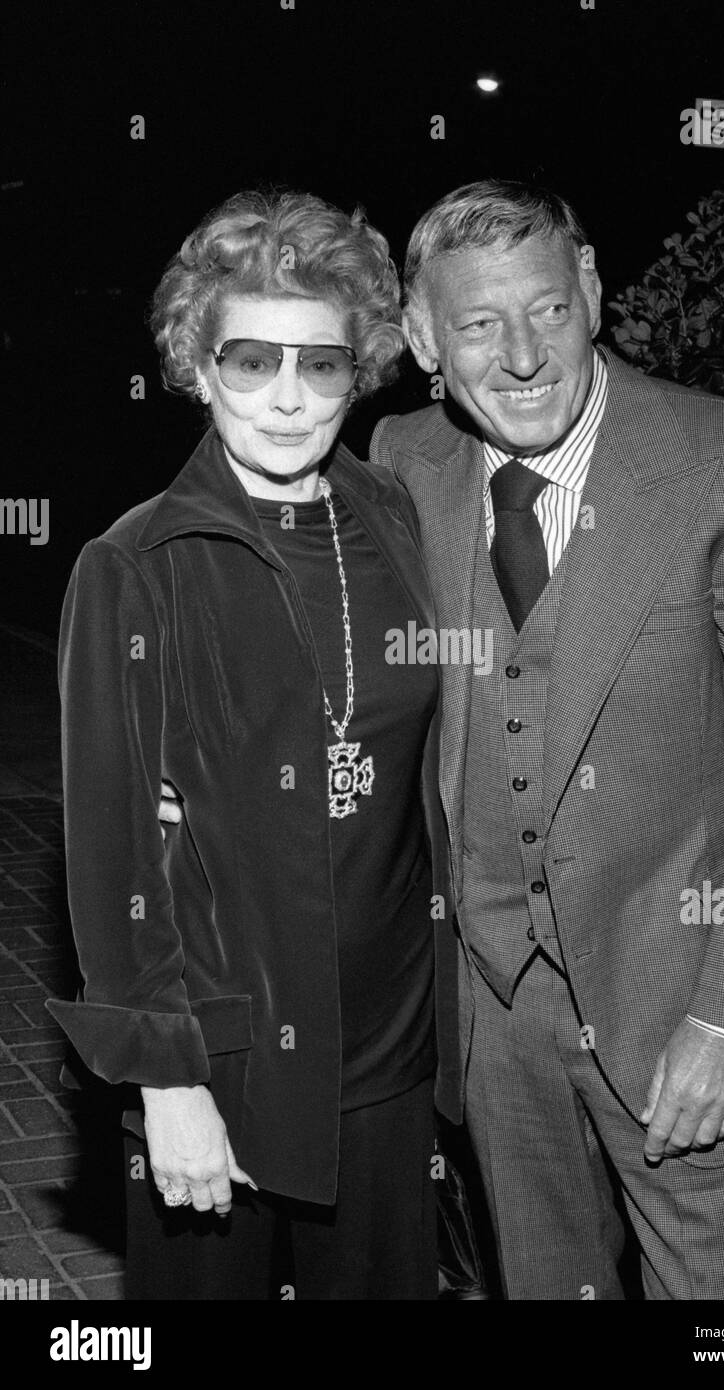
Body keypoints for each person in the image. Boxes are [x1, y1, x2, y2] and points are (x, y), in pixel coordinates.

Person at [365, 179, 724, 1299]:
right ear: (424, 338)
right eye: (477, 324)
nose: (522, 354)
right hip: (491, 1013)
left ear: (588, 290)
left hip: (676, 998)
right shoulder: (403, 463)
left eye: (543, 307)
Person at [47, 189, 460, 1301]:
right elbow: (114, 857)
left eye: (320, 365)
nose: (286, 397)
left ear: (360, 368)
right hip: (224, 1051)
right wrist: (168, 1086)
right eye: (249, 361)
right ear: (196, 365)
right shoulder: (135, 563)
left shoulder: (391, 515)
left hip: (390, 1041)